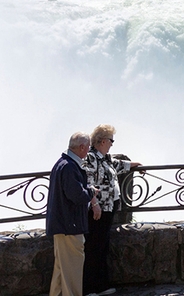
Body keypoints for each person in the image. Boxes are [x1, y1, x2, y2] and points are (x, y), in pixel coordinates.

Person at [82, 125, 141, 296]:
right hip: (98, 210)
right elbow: (88, 182)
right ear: (102, 141)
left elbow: (117, 164)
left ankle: (100, 285)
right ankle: (88, 288)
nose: (112, 144)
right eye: (111, 141)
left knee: (102, 246)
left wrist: (134, 165)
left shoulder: (104, 157)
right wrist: (94, 204)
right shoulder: (91, 158)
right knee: (94, 247)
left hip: (107, 208)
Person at [47, 132, 96, 296]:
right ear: (82, 147)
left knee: (62, 269)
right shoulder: (69, 167)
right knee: (73, 271)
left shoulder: (61, 164)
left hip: (62, 225)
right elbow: (77, 195)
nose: (89, 150)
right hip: (70, 227)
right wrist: (91, 191)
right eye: (88, 147)